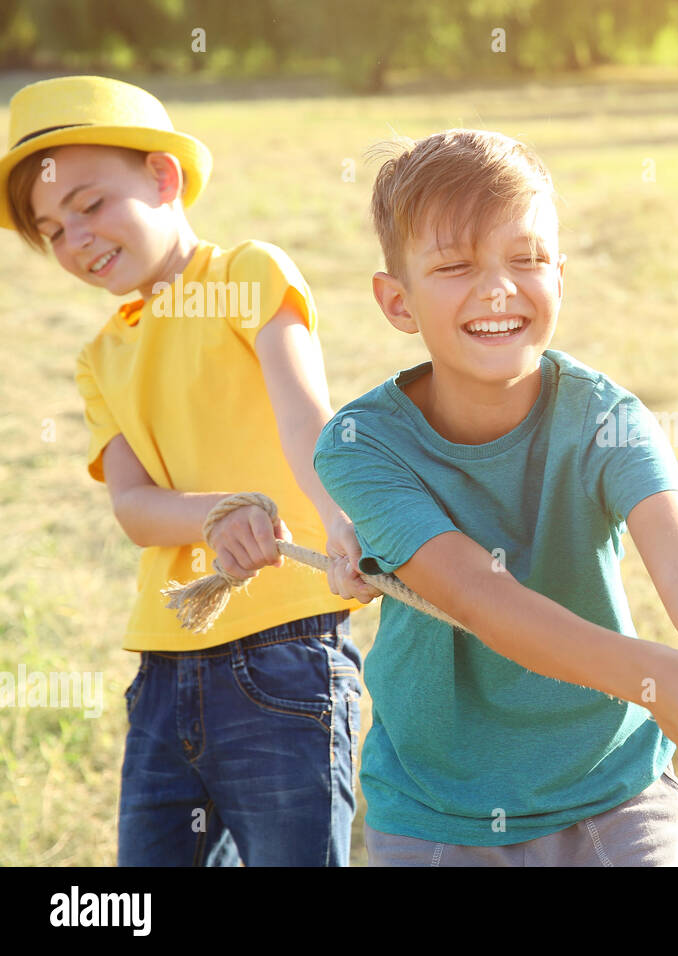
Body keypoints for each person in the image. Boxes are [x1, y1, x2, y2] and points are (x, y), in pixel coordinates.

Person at [312, 129, 678, 867]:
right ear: (397, 301)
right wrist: (655, 677)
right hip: (437, 813)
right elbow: (479, 597)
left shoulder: (605, 419)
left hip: (613, 796)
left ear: (561, 275)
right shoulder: (363, 445)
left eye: (527, 259)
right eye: (456, 266)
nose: (498, 288)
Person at [1, 75, 381, 866]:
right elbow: (135, 507)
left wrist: (338, 517)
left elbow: (304, 415)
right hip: (165, 666)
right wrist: (217, 513)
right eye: (51, 227)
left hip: (287, 647)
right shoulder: (100, 357)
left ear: (164, 178)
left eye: (91, 203)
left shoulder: (247, 272)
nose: (76, 238)